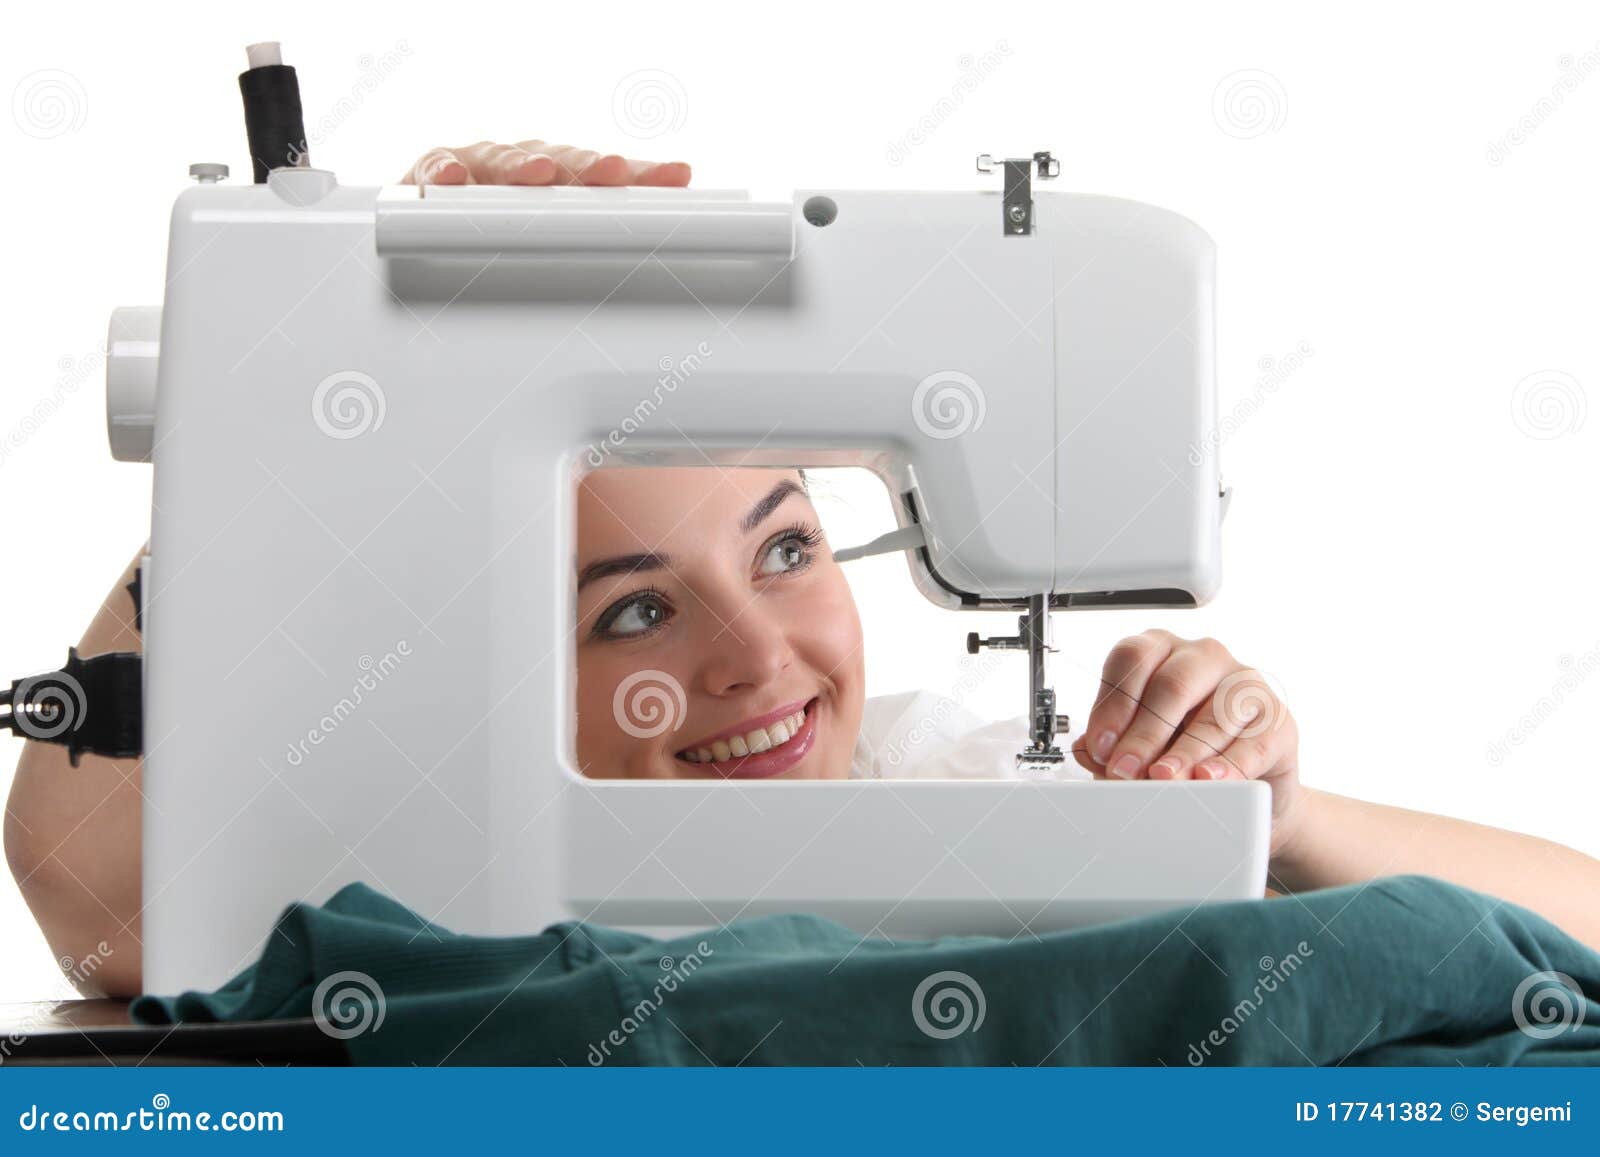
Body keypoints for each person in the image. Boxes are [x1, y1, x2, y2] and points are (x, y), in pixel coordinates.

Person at [8, 143, 1600, 1001]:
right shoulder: (426, 864)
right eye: (634, 608)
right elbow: (90, 897)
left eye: (784, 545)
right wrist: (284, 391)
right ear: (485, 649)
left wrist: (1282, 816)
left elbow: (1578, 937)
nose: (761, 659)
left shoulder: (962, 784)